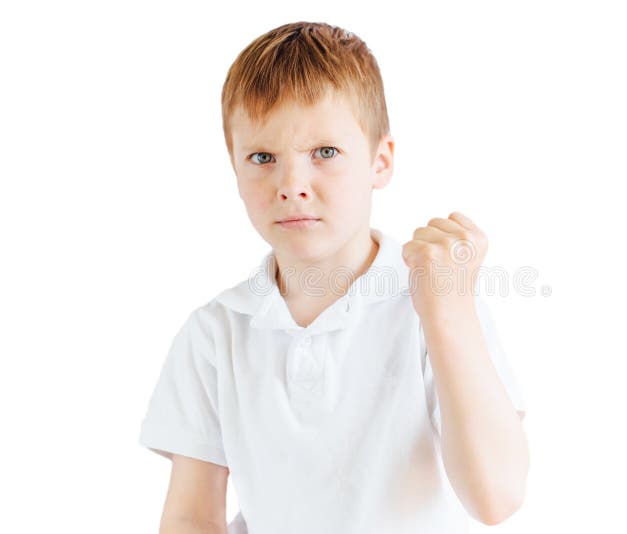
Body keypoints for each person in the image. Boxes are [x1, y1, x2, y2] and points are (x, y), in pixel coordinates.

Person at [138, 21, 529, 534]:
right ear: (235, 171)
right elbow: (191, 516)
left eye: (324, 153)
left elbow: (496, 498)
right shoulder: (216, 333)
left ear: (380, 161)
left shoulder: (437, 307)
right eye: (262, 158)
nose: (291, 185)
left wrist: (447, 312)